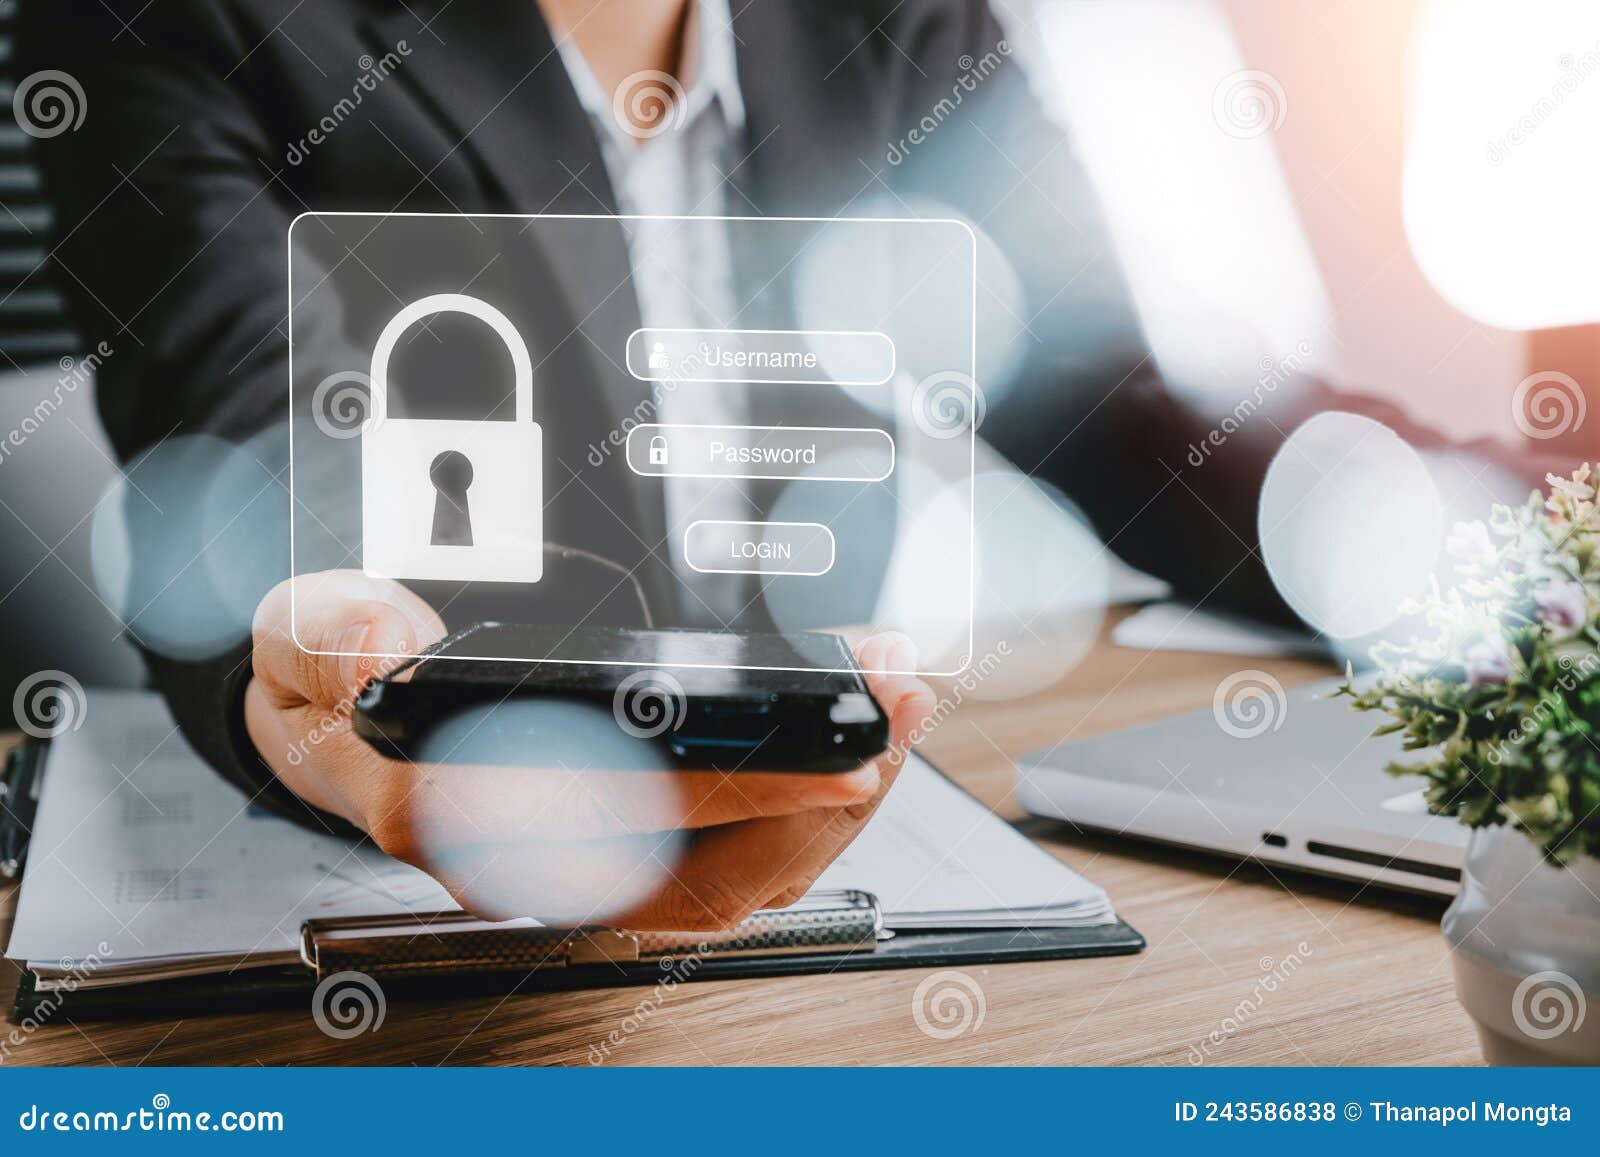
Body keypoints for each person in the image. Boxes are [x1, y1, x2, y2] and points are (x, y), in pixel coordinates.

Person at [17, 0, 1479, 929]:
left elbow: (1111, 405)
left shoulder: (897, 17)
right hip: (398, 926)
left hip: (840, 876)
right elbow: (264, 477)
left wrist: (1468, 553)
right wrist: (326, 706)